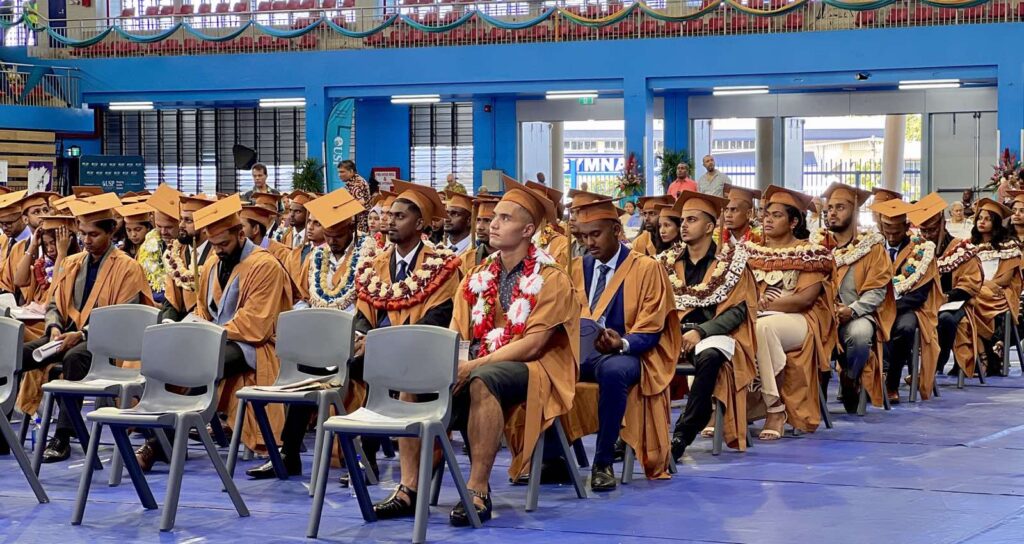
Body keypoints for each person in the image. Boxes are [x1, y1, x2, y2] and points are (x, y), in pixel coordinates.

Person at [372, 177, 579, 526]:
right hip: (478, 360)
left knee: (484, 379)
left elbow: (534, 343)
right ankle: (409, 487)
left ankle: (477, 489)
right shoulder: (477, 274)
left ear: (528, 230)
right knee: (416, 378)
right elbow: (458, 330)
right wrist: (450, 362)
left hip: (534, 368)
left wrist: (472, 365)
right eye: (493, 217)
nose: (493, 224)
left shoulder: (551, 278)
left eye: (505, 219)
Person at [136, 194, 291, 470]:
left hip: (255, 346)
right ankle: (159, 434)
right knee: (167, 359)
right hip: (216, 339)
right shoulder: (210, 264)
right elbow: (201, 310)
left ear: (240, 233)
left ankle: (161, 444)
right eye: (215, 244)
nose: (219, 250)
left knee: (199, 365)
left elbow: (256, 324)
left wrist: (208, 332)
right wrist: (187, 327)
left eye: (224, 244)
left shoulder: (265, 265)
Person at [244, 188, 383, 480]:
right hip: (320, 338)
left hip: (354, 337)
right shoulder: (316, 256)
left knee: (365, 373)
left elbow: (372, 303)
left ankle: (361, 457)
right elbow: (304, 296)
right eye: (328, 235)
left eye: (338, 235)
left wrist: (358, 335)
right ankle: (288, 454)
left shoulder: (371, 255)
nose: (331, 241)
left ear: (351, 228)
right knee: (300, 370)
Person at [22, 193, 154, 463]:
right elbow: (53, 305)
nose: (86, 240)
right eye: (82, 234)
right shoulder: (71, 263)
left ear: (111, 230)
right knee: (17, 354)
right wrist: (55, 327)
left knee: (74, 358)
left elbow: (123, 317)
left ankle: (63, 436)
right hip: (62, 338)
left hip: (107, 344)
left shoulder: (128, 268)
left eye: (93, 234)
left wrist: (81, 334)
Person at [569, 198, 680, 490]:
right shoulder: (578, 268)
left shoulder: (646, 268)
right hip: (580, 353)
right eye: (583, 235)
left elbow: (654, 326)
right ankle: (555, 458)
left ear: (617, 230)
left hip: (627, 355)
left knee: (614, 371)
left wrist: (622, 343)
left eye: (596, 234)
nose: (589, 242)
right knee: (540, 369)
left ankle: (603, 462)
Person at [668, 191, 757, 460]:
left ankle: (684, 431)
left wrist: (701, 331)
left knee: (709, 357)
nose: (683, 225)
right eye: (682, 220)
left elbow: (738, 311)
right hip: (673, 333)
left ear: (709, 227)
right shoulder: (666, 263)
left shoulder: (732, 263)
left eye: (691, 220)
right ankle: (630, 437)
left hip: (714, 333)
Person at [746, 185, 834, 439]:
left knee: (762, 328)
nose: (768, 220)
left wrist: (763, 305)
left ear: (794, 221)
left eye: (776, 215)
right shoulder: (751, 251)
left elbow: (803, 300)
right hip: (758, 315)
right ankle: (725, 407)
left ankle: (775, 409)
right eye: (766, 215)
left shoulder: (811, 252)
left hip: (800, 320)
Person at [818, 183, 894, 414]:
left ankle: (850, 379)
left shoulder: (872, 248)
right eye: (829, 208)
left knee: (860, 336)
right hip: (820, 316)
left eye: (840, 207)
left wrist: (852, 310)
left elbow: (877, 291)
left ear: (855, 211)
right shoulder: (816, 246)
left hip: (857, 314)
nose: (832, 213)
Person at [908, 193, 984, 379]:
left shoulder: (960, 248)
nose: (928, 235)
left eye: (932, 230)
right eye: (924, 232)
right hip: (923, 303)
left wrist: (946, 297)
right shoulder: (918, 250)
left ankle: (933, 367)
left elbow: (970, 284)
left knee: (946, 320)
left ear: (942, 224)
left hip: (954, 303)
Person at [967, 198, 1021, 376]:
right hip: (978, 290)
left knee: (970, 303)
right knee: (967, 306)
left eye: (987, 219)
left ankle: (983, 357)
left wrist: (986, 284)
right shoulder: (969, 246)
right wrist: (982, 285)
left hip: (998, 295)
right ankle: (982, 355)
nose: (981, 222)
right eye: (979, 218)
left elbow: (1006, 278)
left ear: (996, 223)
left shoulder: (1009, 245)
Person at [160, 193, 216, 323]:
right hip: (178, 323)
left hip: (206, 324)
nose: (181, 225)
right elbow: (171, 298)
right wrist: (168, 322)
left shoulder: (216, 255)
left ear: (204, 225)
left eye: (188, 220)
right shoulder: (175, 252)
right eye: (181, 219)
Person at [442, 190, 475, 264]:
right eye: (447, 213)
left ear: (469, 220)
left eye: (455, 214)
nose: (447, 219)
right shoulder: (437, 250)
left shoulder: (476, 253)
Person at [337, 160, 370, 232]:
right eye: (338, 172)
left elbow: (361, 202)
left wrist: (350, 218)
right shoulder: (353, 181)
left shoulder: (356, 183)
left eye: (342, 172)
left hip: (360, 222)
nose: (339, 175)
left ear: (351, 171)